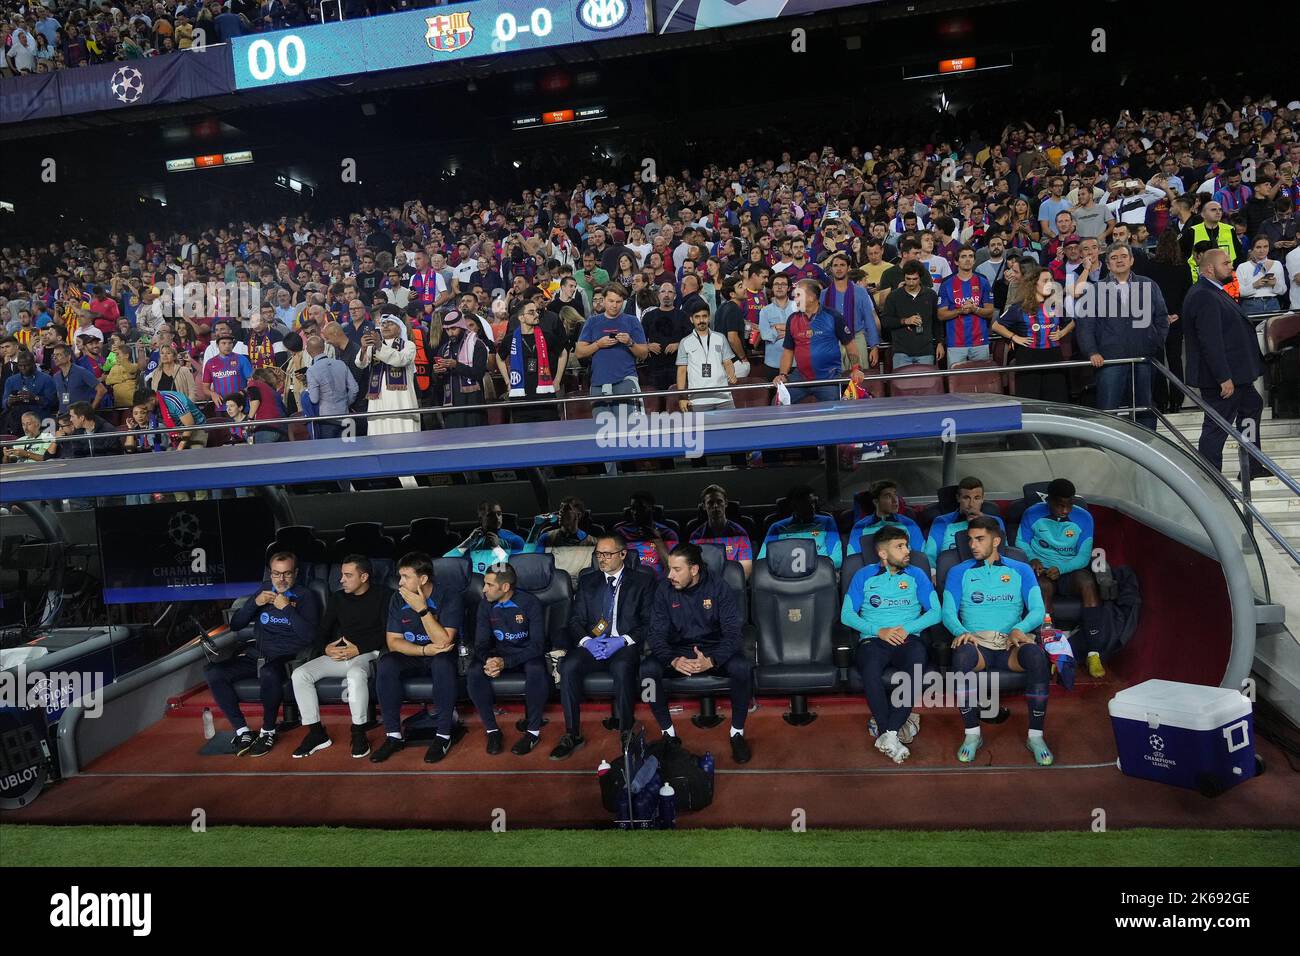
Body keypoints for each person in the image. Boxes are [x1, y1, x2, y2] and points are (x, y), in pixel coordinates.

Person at [943, 516, 1052, 765]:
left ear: (996, 541)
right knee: (961, 655)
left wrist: (1019, 629)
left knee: (1036, 657)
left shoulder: (1021, 569)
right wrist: (961, 631)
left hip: (1011, 644)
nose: (973, 545)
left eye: (979, 539)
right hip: (977, 644)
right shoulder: (958, 572)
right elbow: (948, 613)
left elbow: (1038, 610)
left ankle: (1036, 736)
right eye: (970, 540)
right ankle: (972, 734)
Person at [643, 543, 752, 763]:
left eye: (677, 569)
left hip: (713, 649)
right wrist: (672, 660)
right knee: (647, 672)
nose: (670, 575)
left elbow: (733, 633)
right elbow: (655, 634)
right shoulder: (664, 589)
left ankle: (737, 733)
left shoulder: (719, 587)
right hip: (678, 651)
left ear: (694, 570)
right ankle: (667, 732)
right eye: (669, 569)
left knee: (743, 668)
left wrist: (712, 660)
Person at [841, 525, 941, 763]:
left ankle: (889, 733)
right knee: (870, 670)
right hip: (874, 639)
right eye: (900, 546)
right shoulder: (863, 575)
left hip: (908, 638)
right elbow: (847, 615)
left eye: (906, 545)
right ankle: (892, 733)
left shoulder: (917, 574)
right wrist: (879, 631)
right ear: (883, 553)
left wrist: (907, 628)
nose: (907, 550)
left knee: (916, 665)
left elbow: (936, 612)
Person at [207, 552, 321, 757]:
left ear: (296, 573)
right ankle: (242, 731)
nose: (281, 579)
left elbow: (310, 636)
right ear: (270, 573)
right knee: (214, 672)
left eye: (287, 573)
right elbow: (236, 625)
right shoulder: (264, 590)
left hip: (287, 658)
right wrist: (255, 603)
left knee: (269, 672)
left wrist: (286, 609)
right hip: (257, 655)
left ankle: (268, 731)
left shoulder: (306, 596)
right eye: (276, 574)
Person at [551, 534, 652, 759]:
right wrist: (587, 642)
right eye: (598, 554)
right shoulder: (588, 581)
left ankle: (626, 731)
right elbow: (575, 620)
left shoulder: (642, 581)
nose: (602, 559)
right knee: (568, 666)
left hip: (623, 644)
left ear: (623, 554)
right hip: (593, 643)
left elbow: (648, 623)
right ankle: (572, 733)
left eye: (607, 554)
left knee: (622, 667)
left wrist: (622, 640)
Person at [369, 552, 466, 764]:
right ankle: (393, 735)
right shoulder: (397, 598)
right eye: (400, 577)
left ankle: (443, 735)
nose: (400, 582)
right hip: (415, 654)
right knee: (387, 663)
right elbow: (394, 642)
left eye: (406, 577)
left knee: (442, 662)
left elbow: (444, 641)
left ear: (422, 579)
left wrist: (422, 610)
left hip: (441, 656)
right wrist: (423, 651)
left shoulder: (449, 596)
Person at [291, 556, 391, 760]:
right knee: (299, 674)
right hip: (341, 653)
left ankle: (358, 732)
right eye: (341, 575)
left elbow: (388, 633)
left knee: (355, 674)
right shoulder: (338, 598)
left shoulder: (385, 595)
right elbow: (321, 632)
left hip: (369, 653)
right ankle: (317, 734)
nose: (341, 580)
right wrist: (326, 648)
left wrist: (359, 649)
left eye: (348, 575)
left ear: (364, 577)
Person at [1182, 247, 1266, 475]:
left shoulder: (1214, 291)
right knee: (1216, 427)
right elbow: (1211, 341)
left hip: (1238, 375)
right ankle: (1210, 477)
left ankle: (1252, 465)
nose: (1231, 266)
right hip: (1224, 378)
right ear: (1210, 269)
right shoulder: (1204, 294)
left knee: (1252, 406)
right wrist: (1223, 377)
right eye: (1226, 263)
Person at [1015, 477, 1106, 677]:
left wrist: (1061, 568)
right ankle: (1049, 650)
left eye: (1069, 505)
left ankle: (1093, 653)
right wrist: (1032, 559)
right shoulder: (1032, 513)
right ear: (1048, 500)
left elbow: (1083, 556)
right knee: (1043, 588)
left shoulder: (1084, 518)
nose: (1065, 510)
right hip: (1042, 571)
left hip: (1069, 569)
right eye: (1059, 505)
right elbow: (1021, 543)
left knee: (1088, 583)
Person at [1075, 243, 1170, 430]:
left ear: (1132, 260)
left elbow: (1161, 317)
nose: (1119, 261)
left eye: (1123, 256)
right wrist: (1091, 351)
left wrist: (1156, 341)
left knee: (1145, 408)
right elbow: (1085, 324)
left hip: (1143, 357)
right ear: (1108, 264)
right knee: (1108, 410)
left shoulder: (1148, 285)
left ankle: (1147, 445)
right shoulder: (1095, 289)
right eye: (1114, 258)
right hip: (1110, 360)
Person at [468, 563, 549, 756]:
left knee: (537, 669)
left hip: (526, 654)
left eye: (489, 585)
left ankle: (533, 732)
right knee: (474, 671)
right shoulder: (485, 604)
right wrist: (490, 660)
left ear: (505, 587)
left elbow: (538, 645)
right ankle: (492, 731)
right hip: (499, 654)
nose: (484, 589)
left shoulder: (530, 603)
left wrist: (506, 663)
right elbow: (480, 644)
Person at [772, 278, 864, 402]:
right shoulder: (792, 319)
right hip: (801, 377)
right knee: (777, 402)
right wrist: (782, 374)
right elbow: (788, 351)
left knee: (835, 409)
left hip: (828, 378)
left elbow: (850, 344)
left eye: (798, 295)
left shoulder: (833, 316)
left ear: (812, 297)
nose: (794, 299)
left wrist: (856, 369)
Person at [992, 263, 1072, 403]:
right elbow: (996, 326)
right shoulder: (1019, 307)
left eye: (1051, 280)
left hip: (1053, 355)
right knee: (1030, 399)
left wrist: (1061, 333)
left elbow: (1072, 322)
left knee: (1056, 399)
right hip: (1028, 356)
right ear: (1034, 284)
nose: (1050, 284)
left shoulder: (1056, 304)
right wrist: (1014, 337)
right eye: (1045, 281)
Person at [496, 300, 566, 423]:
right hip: (520, 399)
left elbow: (563, 353)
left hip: (545, 398)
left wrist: (557, 380)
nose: (536, 315)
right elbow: (499, 357)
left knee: (550, 432)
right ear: (521, 318)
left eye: (536, 311)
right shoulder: (510, 339)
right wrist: (507, 381)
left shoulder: (547, 336)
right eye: (531, 312)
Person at [357, 310, 420, 435]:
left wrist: (380, 346)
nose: (385, 326)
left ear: (399, 328)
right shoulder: (372, 347)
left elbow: (400, 360)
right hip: (378, 401)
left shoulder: (408, 345)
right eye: (383, 324)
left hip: (401, 400)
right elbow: (360, 364)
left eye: (390, 323)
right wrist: (363, 348)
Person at [923, 475, 1006, 564]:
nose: (971, 504)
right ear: (958, 498)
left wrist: (983, 522)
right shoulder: (943, 522)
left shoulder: (995, 522)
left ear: (982, 499)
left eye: (977, 498)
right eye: (966, 498)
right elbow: (930, 557)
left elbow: (1003, 553)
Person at [676, 295, 739, 411]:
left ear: (709, 318)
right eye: (697, 317)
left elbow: (727, 362)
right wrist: (682, 397)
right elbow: (681, 371)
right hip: (698, 400)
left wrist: (731, 374)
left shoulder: (720, 338)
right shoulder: (685, 342)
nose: (701, 320)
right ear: (691, 319)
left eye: (704, 316)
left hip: (724, 398)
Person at [758, 484, 842, 569]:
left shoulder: (827, 522)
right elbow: (762, 560)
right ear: (794, 505)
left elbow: (837, 559)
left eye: (812, 502)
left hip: (821, 572)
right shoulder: (777, 528)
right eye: (806, 503)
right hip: (783, 573)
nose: (812, 507)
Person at [430, 311, 489, 429]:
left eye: (453, 329)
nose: (450, 333)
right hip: (451, 404)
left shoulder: (477, 345)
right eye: (447, 330)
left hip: (472, 403)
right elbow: (437, 382)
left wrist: (456, 365)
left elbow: (478, 373)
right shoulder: (444, 349)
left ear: (461, 327)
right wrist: (437, 373)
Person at [937, 246, 995, 364]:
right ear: (956, 261)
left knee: (982, 375)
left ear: (974, 260)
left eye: (970, 256)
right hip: (955, 342)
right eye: (963, 257)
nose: (968, 260)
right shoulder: (947, 284)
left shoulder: (983, 282)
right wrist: (960, 311)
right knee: (956, 375)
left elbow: (990, 312)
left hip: (980, 341)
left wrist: (974, 309)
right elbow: (941, 315)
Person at [881, 261, 943, 366]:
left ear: (920, 278)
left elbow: (937, 322)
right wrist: (905, 321)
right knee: (901, 378)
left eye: (914, 279)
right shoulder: (894, 297)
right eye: (908, 279)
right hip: (901, 351)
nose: (911, 283)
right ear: (904, 277)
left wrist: (939, 343)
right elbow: (885, 321)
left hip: (926, 351)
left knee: (927, 378)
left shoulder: (931, 295)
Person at [689, 484, 754, 578]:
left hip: (733, 582)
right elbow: (692, 570)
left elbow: (745, 571)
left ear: (726, 503)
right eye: (710, 503)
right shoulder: (696, 537)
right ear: (704, 506)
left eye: (719, 501)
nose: (715, 506)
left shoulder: (740, 534)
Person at [846, 479, 925, 556]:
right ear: (876, 502)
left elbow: (921, 555)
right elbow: (853, 557)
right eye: (888, 496)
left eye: (895, 495)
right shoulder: (861, 526)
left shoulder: (908, 523)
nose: (895, 500)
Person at [612, 492, 679, 578]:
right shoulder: (621, 532)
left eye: (641, 508)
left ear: (652, 509)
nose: (635, 512)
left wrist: (657, 540)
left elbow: (674, 567)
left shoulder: (667, 533)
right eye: (633, 508)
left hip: (659, 579)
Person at [446, 500, 527, 572]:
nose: (497, 518)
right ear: (480, 518)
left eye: (499, 514)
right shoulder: (473, 542)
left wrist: (497, 548)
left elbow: (513, 571)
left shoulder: (514, 540)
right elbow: (446, 562)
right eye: (491, 515)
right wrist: (468, 542)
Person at [304, 333, 357, 439]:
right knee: (348, 448)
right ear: (323, 347)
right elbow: (354, 389)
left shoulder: (312, 370)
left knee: (329, 449)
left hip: (327, 420)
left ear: (308, 351)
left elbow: (314, 399)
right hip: (345, 415)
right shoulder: (341, 364)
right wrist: (346, 402)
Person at [2, 351, 57, 434]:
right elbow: (4, 403)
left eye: (27, 365)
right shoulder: (11, 380)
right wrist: (9, 401)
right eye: (20, 365)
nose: (23, 368)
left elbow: (53, 402)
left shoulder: (46, 379)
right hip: (18, 423)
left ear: (33, 364)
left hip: (42, 421)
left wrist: (35, 398)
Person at [1235, 236, 1286, 316]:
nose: (1262, 250)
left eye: (1265, 247)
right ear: (1252, 249)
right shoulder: (1242, 267)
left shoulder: (1277, 264)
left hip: (1272, 304)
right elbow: (1238, 292)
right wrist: (1254, 285)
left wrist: (1274, 285)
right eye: (1258, 247)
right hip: (1251, 305)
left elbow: (1283, 290)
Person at [200, 330, 253, 404]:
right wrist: (212, 394)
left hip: (241, 405)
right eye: (224, 343)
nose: (227, 346)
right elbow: (205, 388)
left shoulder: (242, 359)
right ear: (217, 345)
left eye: (230, 343)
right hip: (221, 406)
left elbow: (252, 382)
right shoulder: (210, 363)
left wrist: (242, 393)